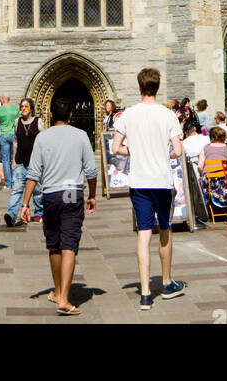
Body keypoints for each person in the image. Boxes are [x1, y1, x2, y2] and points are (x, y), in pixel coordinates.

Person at [111, 66, 187, 310]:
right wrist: (164, 153)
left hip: (139, 181)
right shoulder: (167, 115)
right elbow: (178, 150)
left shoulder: (128, 115)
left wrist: (134, 150)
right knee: (164, 230)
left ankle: (145, 293)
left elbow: (115, 148)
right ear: (158, 86)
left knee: (143, 234)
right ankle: (165, 283)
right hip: (161, 181)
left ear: (139, 86)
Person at [20, 96, 97, 316]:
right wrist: (92, 195)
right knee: (69, 244)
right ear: (71, 115)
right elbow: (91, 172)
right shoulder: (81, 136)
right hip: (72, 193)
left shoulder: (42, 138)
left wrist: (25, 204)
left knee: (54, 244)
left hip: (51, 194)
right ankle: (63, 297)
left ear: (51, 115)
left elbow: (32, 174)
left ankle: (58, 292)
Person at [4, 97, 44, 227]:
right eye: (22, 107)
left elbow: (44, 141)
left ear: (31, 109)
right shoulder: (17, 122)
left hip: (35, 162)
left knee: (38, 190)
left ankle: (39, 212)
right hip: (20, 161)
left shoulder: (38, 122)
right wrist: (13, 159)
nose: (23, 109)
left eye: (26, 106)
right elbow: (15, 141)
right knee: (17, 189)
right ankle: (11, 214)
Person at [0, 93, 19, 192]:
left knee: (5, 160)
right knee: (13, 159)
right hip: (13, 135)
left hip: (4, 136)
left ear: (2, 99)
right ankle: (16, 182)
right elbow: (19, 120)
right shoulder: (15, 109)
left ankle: (8, 183)